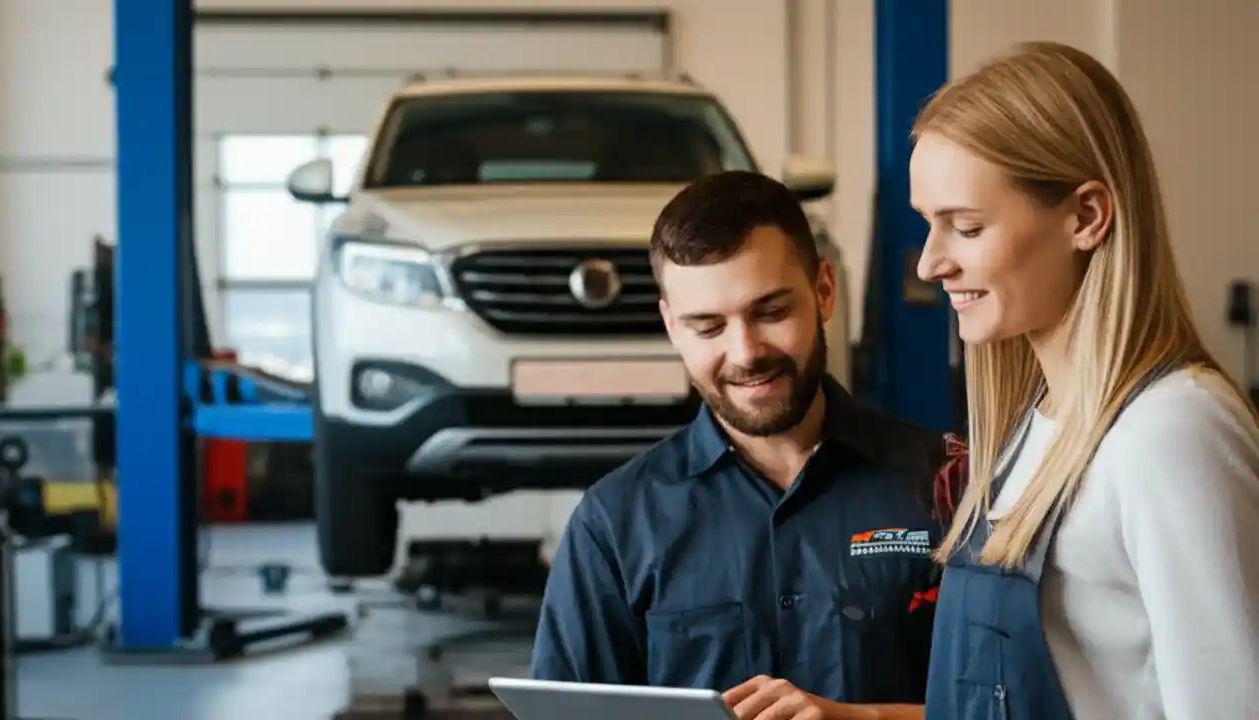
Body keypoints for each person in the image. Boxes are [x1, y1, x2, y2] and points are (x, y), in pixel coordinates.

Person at [907, 42, 1259, 719]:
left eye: (966, 227)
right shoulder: (1035, 424)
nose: (930, 264)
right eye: (930, 225)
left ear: (1086, 217)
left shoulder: (1171, 431)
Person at [529, 170, 954, 717]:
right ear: (671, 327)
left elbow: (1015, 700)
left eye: (771, 313)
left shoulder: (945, 484)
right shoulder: (614, 525)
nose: (746, 352)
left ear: (824, 291)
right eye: (707, 327)